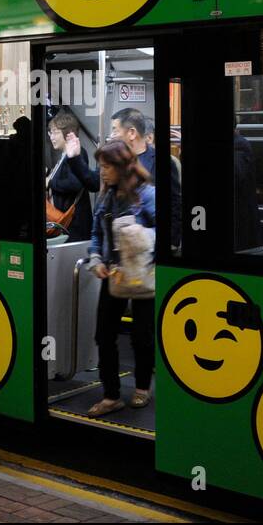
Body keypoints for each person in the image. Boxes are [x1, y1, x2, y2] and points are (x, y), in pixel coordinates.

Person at [86, 139, 157, 416]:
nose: (102, 172)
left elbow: (170, 230)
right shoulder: (106, 197)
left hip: (143, 275)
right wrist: (95, 260)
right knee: (104, 334)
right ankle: (111, 394)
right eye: (101, 166)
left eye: (107, 166)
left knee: (142, 336)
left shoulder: (147, 195)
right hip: (113, 274)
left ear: (122, 166)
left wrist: (142, 237)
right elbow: (96, 234)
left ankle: (142, 388)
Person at [110, 108, 181, 252]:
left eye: (115, 130)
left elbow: (174, 202)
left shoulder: (163, 162)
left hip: (150, 247)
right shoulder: (116, 162)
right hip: (121, 246)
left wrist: (171, 241)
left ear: (131, 133)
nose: (111, 136)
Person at [47, 109, 98, 241]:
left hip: (75, 222)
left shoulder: (78, 153)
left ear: (68, 133)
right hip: (66, 221)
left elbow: (75, 184)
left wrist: (50, 182)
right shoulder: (62, 156)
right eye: (50, 133)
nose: (51, 137)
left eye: (55, 133)